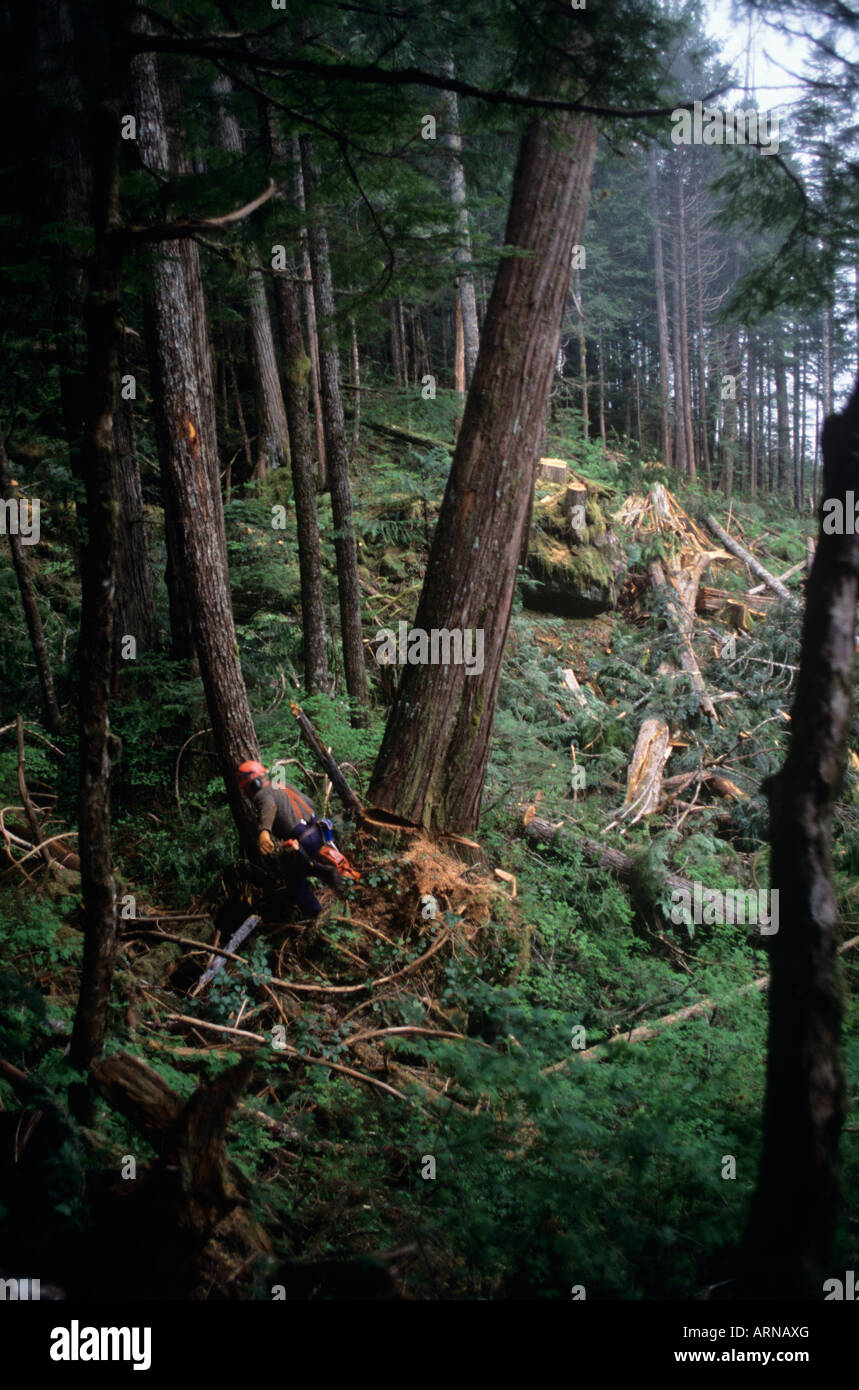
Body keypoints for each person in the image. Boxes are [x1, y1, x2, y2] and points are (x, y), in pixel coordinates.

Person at [236, 760, 358, 917]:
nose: (246, 792)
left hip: (304, 840)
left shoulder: (262, 794)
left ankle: (318, 917)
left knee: (295, 884)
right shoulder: (282, 784)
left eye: (246, 788)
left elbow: (269, 806)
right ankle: (342, 883)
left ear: (254, 784)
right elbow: (309, 802)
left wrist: (264, 831)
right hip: (319, 830)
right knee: (316, 866)